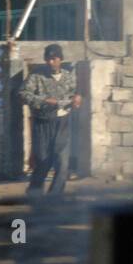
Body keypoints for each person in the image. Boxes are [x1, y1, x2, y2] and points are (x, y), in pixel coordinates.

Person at [21, 43, 82, 196]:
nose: (50, 62)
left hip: (62, 122)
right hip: (43, 123)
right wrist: (44, 100)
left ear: (60, 59)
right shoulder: (36, 75)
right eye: (48, 59)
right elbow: (22, 94)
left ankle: (54, 197)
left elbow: (74, 94)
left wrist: (77, 99)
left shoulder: (68, 76)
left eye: (54, 59)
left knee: (62, 163)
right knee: (43, 161)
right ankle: (34, 192)